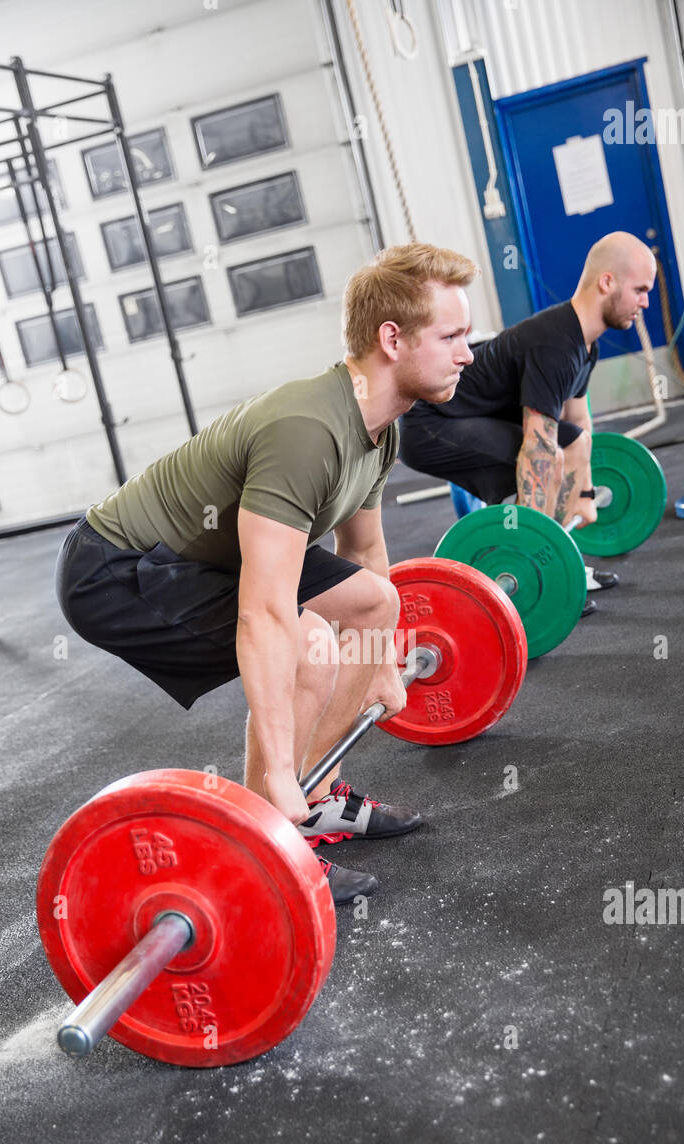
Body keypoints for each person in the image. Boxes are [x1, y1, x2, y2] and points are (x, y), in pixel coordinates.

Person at [55, 242, 479, 903]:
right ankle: (264, 838)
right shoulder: (309, 429)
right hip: (116, 570)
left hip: (209, 550)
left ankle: (309, 797)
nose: (467, 353)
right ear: (391, 339)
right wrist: (276, 768)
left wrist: (384, 666)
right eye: (452, 336)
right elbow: (265, 614)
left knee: (372, 604)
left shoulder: (381, 426)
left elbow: (364, 556)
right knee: (307, 645)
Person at [398, 231, 658, 609]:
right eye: (640, 290)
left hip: (473, 417)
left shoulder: (585, 345)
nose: (645, 302)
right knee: (541, 464)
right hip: (431, 426)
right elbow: (539, 452)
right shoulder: (556, 344)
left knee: (569, 445)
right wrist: (539, 548)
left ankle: (561, 568)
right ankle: (526, 581)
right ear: (607, 282)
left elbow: (578, 428)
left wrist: (584, 494)